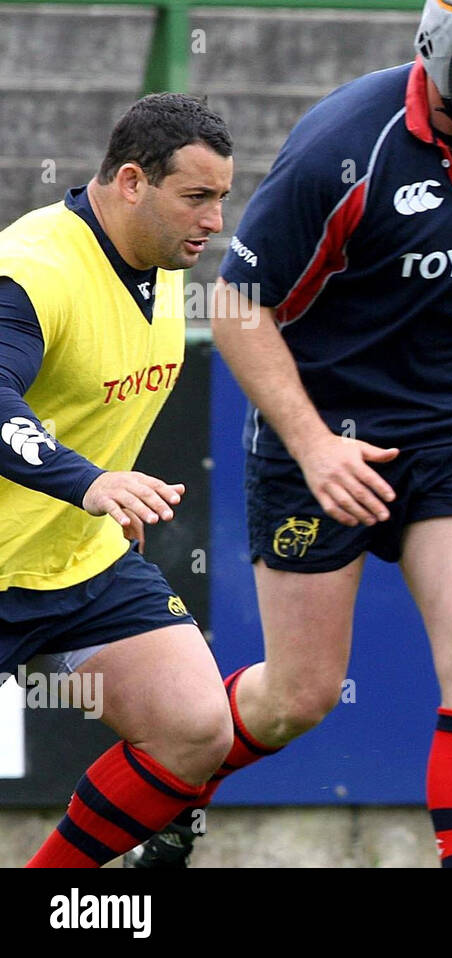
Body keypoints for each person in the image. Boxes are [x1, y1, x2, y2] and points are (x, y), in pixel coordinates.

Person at [127, 0, 452, 869]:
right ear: (433, 48)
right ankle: (158, 796)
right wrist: (316, 444)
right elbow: (235, 302)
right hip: (323, 435)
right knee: (298, 698)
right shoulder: (345, 145)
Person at [0, 93, 235, 867]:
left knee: (195, 730)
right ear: (132, 182)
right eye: (196, 198)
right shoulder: (34, 268)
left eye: (222, 199)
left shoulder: (161, 258)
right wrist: (90, 482)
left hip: (81, 564)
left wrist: (102, 493)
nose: (214, 221)